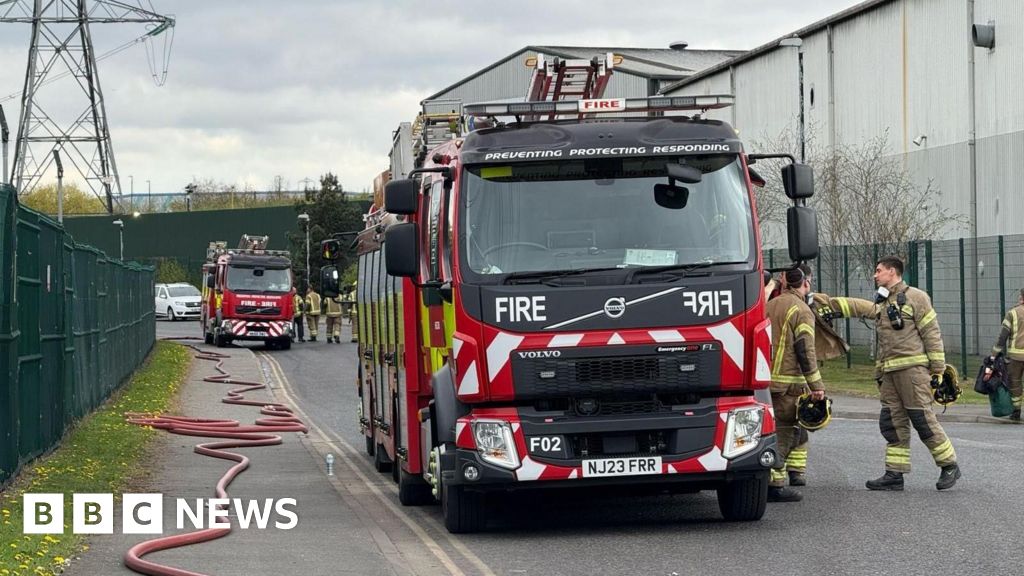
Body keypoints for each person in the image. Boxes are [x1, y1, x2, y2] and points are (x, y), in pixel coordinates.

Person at [831, 255, 961, 491]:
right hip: (890, 372)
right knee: (891, 421)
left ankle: (949, 465)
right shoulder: (883, 302)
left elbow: (932, 334)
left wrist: (938, 370)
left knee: (922, 419)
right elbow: (882, 339)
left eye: (879, 270)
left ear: (892, 272)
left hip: (912, 372)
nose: (875, 274)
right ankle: (894, 474)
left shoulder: (917, 298)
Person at [764, 264, 824, 503]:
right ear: (806, 284)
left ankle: (773, 479)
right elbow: (805, 348)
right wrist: (816, 384)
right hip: (788, 384)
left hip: (766, 381)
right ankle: (774, 484)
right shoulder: (801, 310)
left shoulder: (770, 305)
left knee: (771, 431)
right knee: (784, 434)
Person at [989, 288, 1024, 420]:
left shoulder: (1013, 313)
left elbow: (1002, 337)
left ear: (1021, 298)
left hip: (1015, 357)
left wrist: (994, 353)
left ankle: (1016, 411)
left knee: (1015, 383)